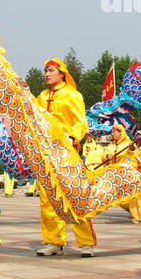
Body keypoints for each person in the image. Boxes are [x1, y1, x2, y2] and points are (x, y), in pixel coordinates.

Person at [32, 58, 97, 257]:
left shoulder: (72, 95)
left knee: (75, 196)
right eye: (45, 70)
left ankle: (86, 243)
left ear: (62, 74)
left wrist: (71, 137)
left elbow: (80, 123)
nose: (47, 74)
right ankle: (53, 241)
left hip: (67, 153)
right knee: (48, 198)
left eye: (51, 70)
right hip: (46, 154)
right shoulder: (41, 96)